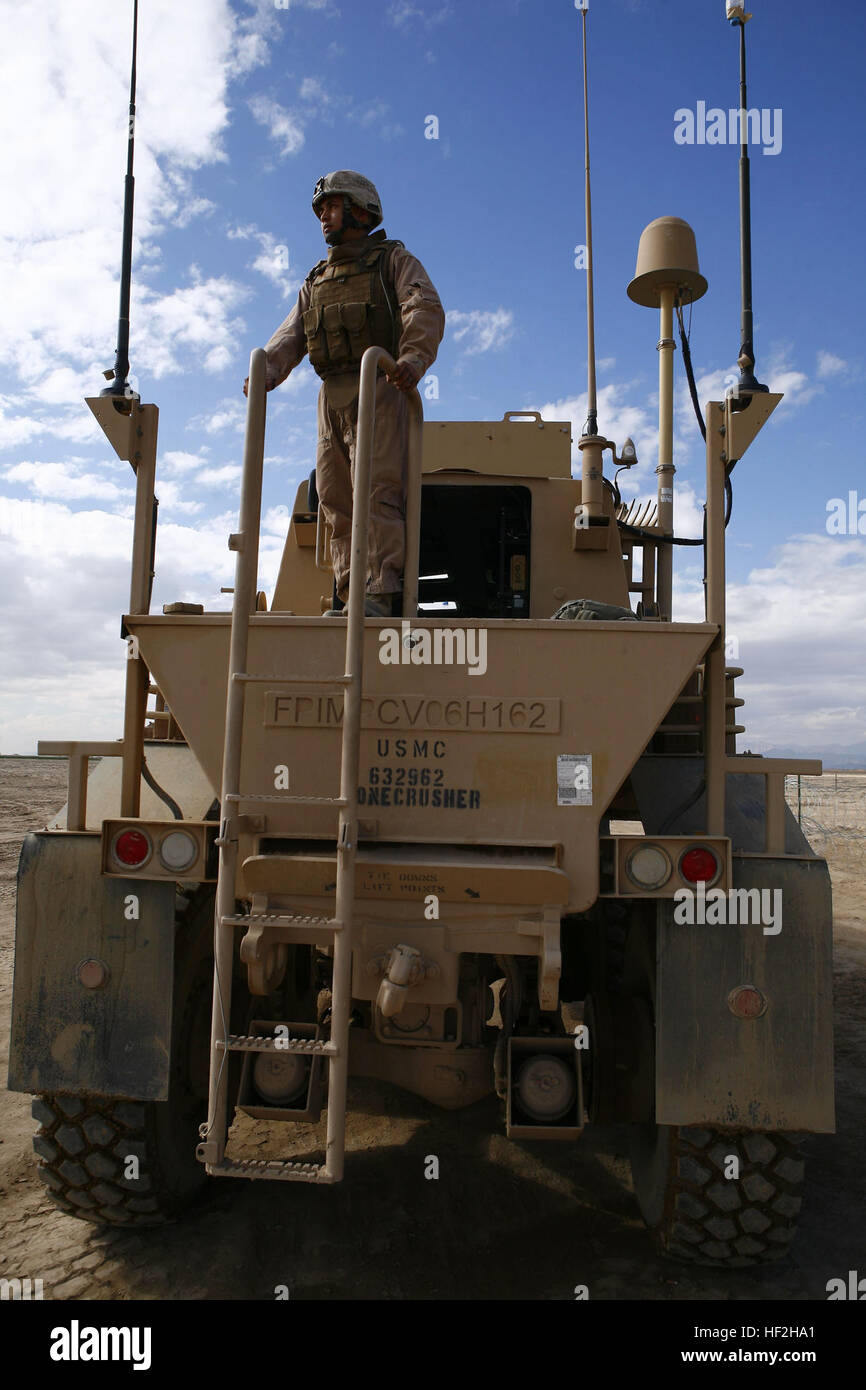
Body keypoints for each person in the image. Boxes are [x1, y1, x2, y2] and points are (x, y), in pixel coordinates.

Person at [244, 170, 445, 616]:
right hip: (331, 398)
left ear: (359, 210)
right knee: (335, 499)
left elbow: (422, 307)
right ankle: (353, 591)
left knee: (377, 491)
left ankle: (381, 593)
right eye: (321, 210)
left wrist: (411, 359)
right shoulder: (317, 280)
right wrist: (268, 371)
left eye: (332, 207)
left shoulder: (393, 260)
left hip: (381, 386)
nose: (324, 217)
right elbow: (291, 333)